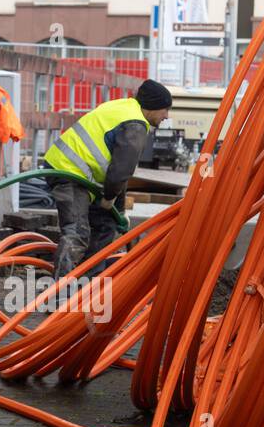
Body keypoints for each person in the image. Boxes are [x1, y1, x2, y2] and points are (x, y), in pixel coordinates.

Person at [41, 79, 173, 278]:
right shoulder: (136, 125)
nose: (166, 116)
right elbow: (120, 171)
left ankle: (87, 287)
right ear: (153, 107)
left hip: (80, 175)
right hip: (68, 171)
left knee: (105, 225)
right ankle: (59, 298)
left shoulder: (124, 107)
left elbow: (120, 171)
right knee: (77, 233)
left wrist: (118, 211)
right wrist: (110, 197)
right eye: (165, 110)